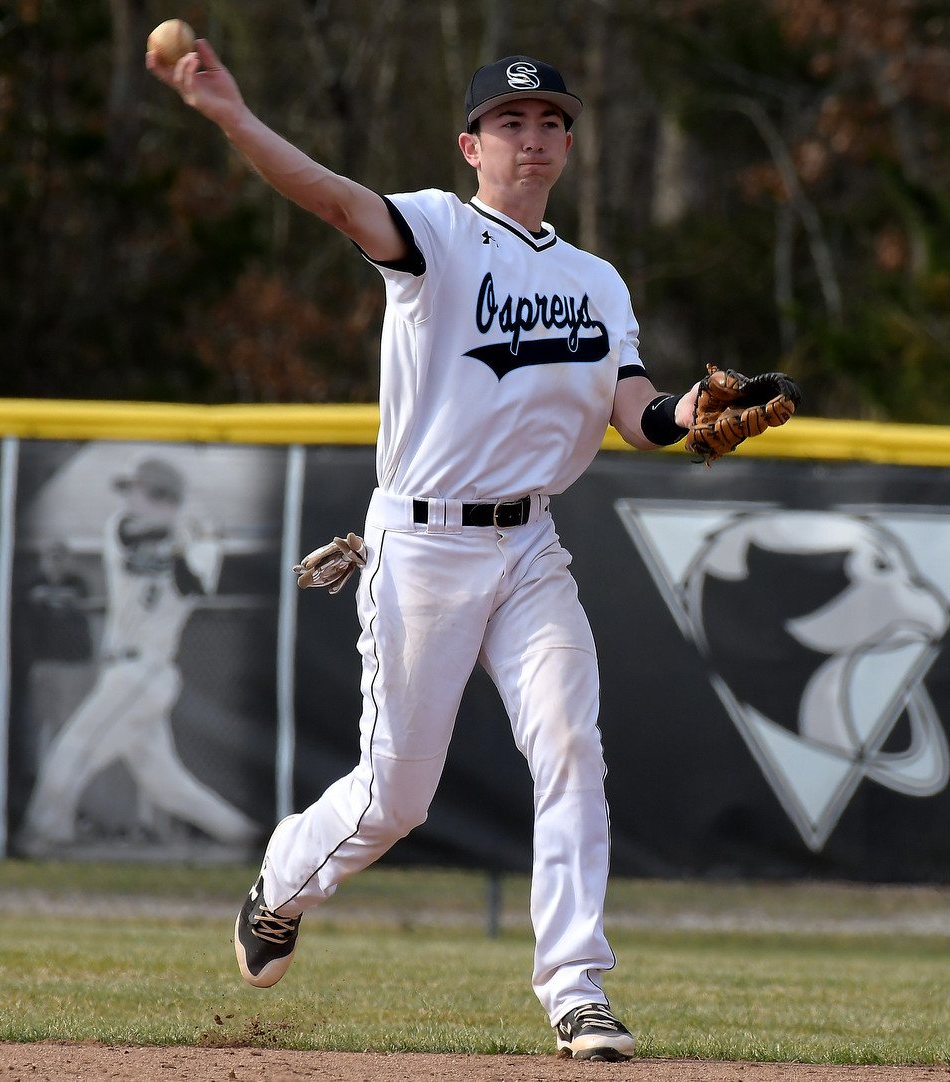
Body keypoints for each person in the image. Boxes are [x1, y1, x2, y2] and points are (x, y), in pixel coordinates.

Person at [149, 44, 717, 1061]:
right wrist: (232, 116)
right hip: (421, 545)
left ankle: (577, 987)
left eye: (551, 121)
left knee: (571, 745)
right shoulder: (439, 235)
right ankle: (282, 880)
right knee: (395, 798)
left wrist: (693, 413)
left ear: (570, 143)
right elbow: (325, 196)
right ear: (472, 145)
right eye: (512, 122)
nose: (534, 136)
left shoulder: (596, 281)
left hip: (530, 544)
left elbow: (639, 410)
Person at [21, 457, 257, 852]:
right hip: (119, 668)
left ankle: (45, 833)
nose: (128, 498)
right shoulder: (120, 526)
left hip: (146, 670)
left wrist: (189, 541)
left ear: (162, 496)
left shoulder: (199, 542)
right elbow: (134, 542)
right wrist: (177, 530)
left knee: (72, 746)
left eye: (137, 491)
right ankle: (246, 834)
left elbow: (190, 584)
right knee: (167, 786)